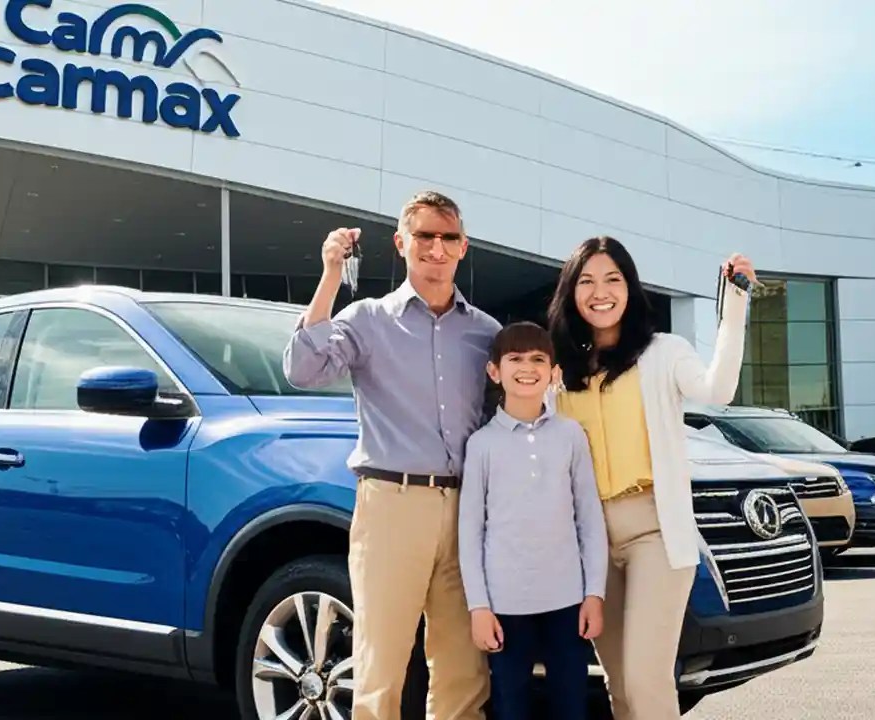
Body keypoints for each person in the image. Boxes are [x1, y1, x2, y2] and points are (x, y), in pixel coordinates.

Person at [283, 190, 501, 720]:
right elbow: (302, 370)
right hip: (392, 504)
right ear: (402, 243)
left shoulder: (487, 333)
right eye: (424, 235)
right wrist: (331, 273)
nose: (436, 248)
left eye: (448, 237)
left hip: (468, 511)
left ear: (463, 247)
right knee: (381, 666)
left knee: (463, 670)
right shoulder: (367, 319)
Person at [546, 236, 756, 720]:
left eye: (613, 279)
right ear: (571, 293)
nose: (601, 292)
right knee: (619, 686)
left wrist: (735, 303)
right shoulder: (562, 370)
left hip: (654, 531)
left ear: (630, 287)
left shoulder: (663, 351)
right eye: (587, 281)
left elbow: (718, 389)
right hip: (590, 543)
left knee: (646, 681)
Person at [457, 321, 608, 720]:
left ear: (554, 371)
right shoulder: (481, 445)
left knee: (571, 704)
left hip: (567, 601)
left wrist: (594, 593)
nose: (527, 367)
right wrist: (479, 607)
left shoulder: (571, 435)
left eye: (538, 359)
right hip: (505, 605)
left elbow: (589, 517)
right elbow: (470, 532)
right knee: (510, 706)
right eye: (515, 359)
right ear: (495, 371)